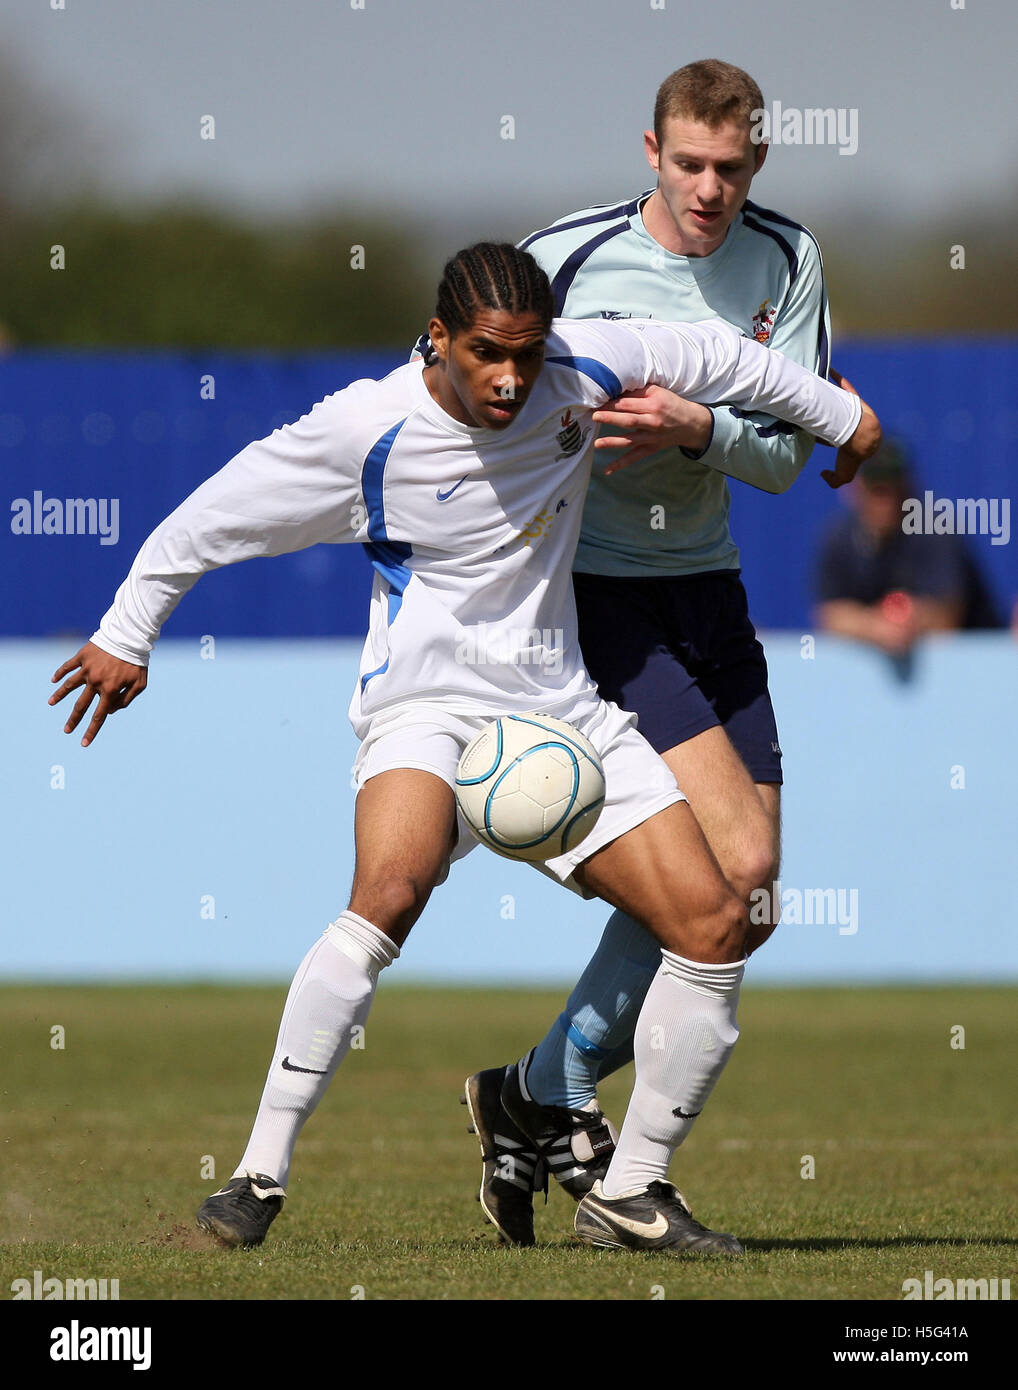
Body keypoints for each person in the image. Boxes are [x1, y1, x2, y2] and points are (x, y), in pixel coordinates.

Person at [48, 243, 878, 1255]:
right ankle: (257, 1175)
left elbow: (723, 359)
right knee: (388, 891)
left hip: (560, 706)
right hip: (423, 710)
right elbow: (207, 521)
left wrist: (843, 421)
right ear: (437, 338)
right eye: (487, 353)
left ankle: (630, 1193)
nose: (511, 379)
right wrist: (126, 635)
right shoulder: (364, 427)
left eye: (527, 356)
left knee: (719, 918)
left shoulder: (585, 364)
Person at [462, 59, 859, 1246]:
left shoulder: (787, 262)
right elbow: (482, 403)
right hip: (594, 598)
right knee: (722, 881)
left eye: (730, 168)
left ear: (758, 163)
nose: (708, 189)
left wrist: (699, 426)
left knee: (749, 896)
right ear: (650, 152)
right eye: (687, 164)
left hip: (710, 588)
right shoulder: (568, 256)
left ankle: (534, 1090)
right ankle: (625, 1185)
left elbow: (794, 457)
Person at [815, 438, 1004, 653]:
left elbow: (946, 616)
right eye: (878, 490)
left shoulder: (935, 530)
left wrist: (905, 621)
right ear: (856, 490)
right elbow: (830, 615)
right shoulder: (839, 537)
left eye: (895, 490)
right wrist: (876, 627)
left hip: (974, 665)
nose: (888, 502)